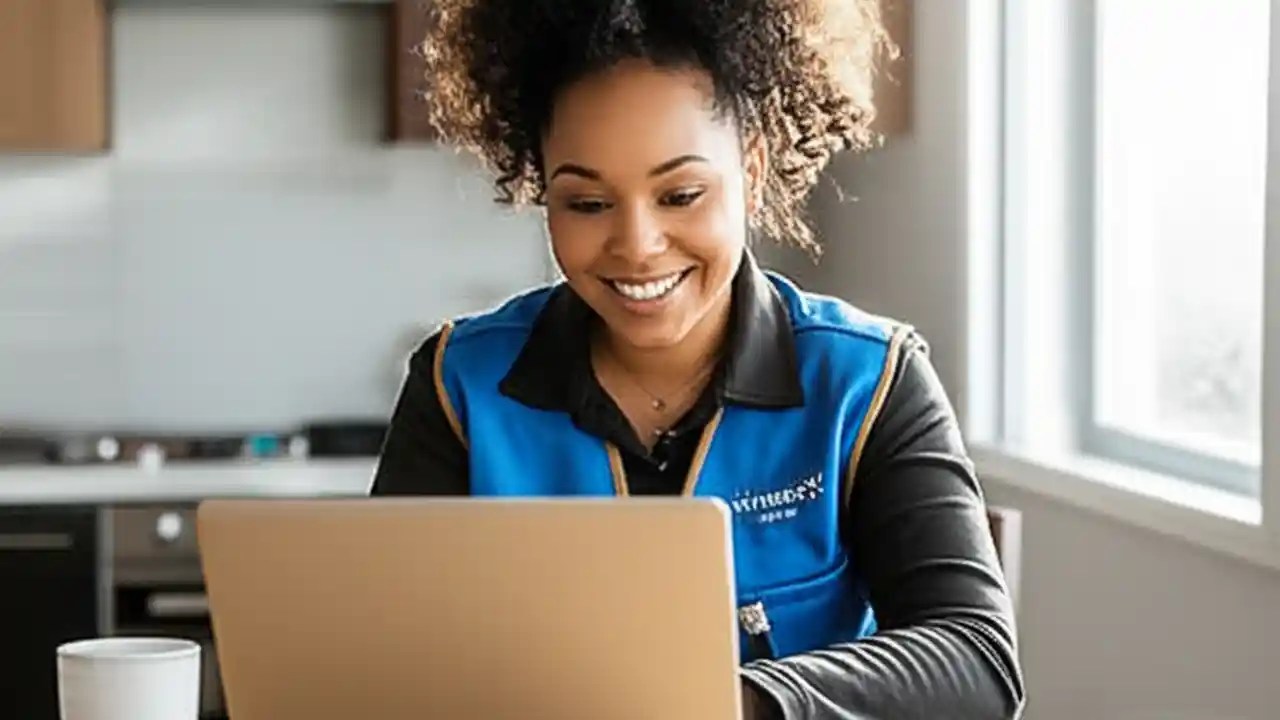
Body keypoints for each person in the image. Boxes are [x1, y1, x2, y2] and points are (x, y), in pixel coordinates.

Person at [371, 0, 1025, 717]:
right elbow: (384, 656)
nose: (638, 244)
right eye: (587, 203)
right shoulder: (456, 385)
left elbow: (975, 663)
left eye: (680, 194)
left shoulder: (869, 382)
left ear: (751, 166)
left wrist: (727, 701)